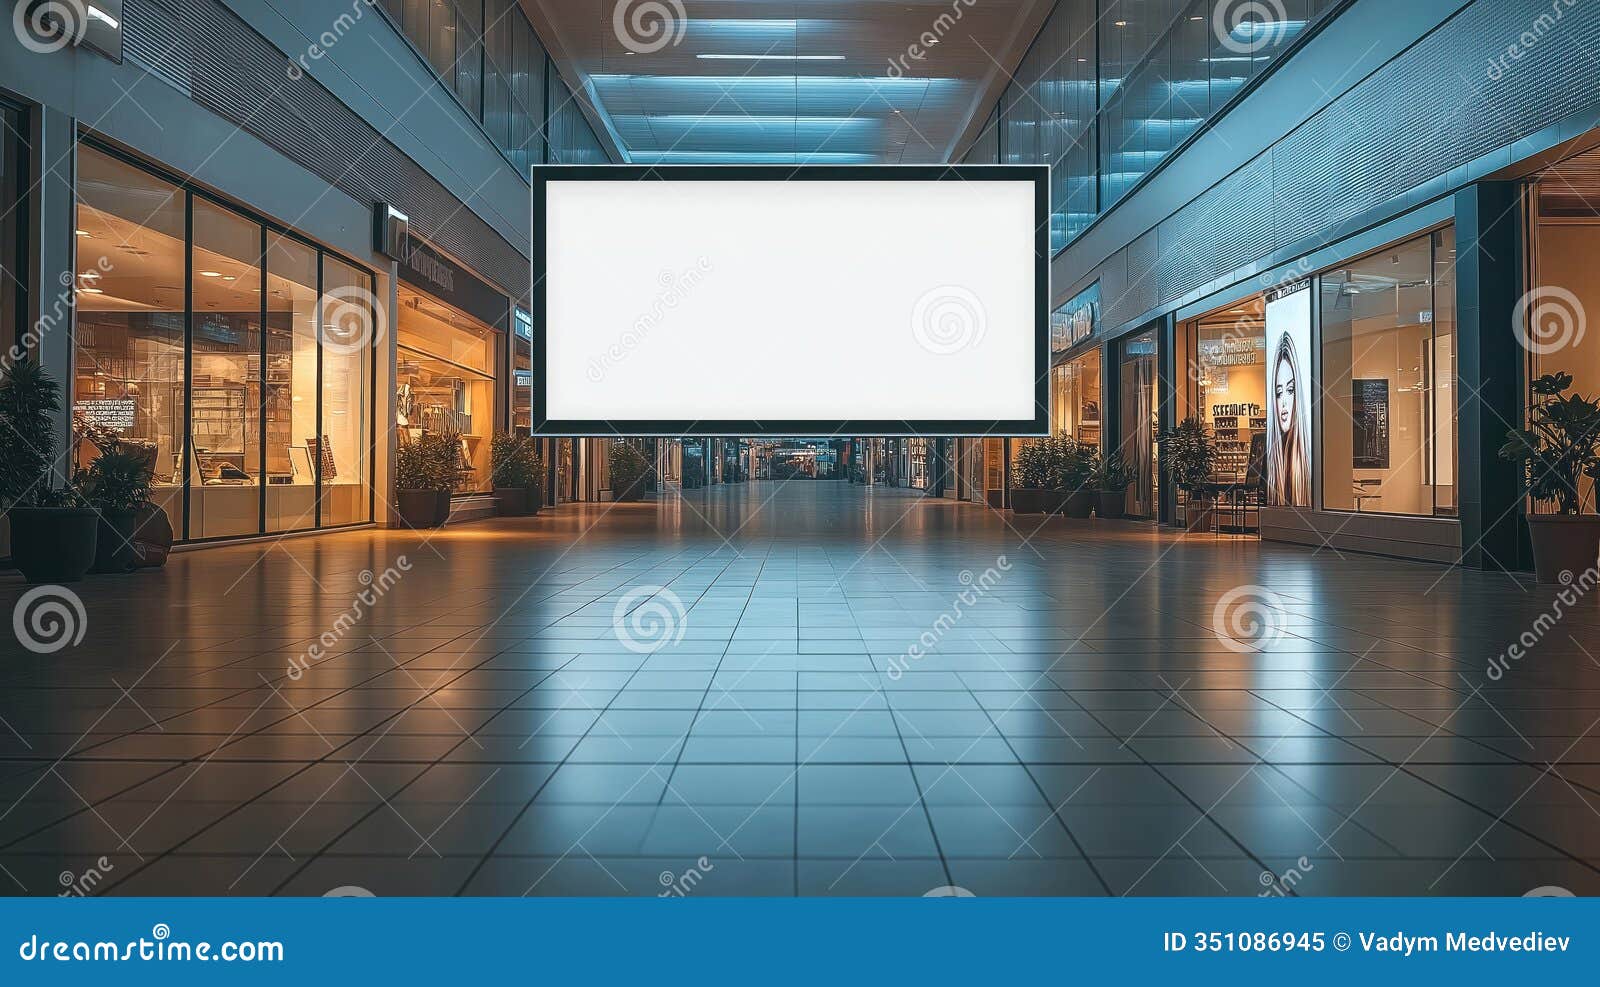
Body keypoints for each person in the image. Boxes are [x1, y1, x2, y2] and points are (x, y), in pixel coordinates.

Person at [1266, 331, 1311, 506]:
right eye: (1278, 393)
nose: (1284, 402)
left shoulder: (1307, 470)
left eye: (1290, 390)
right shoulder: (1273, 468)